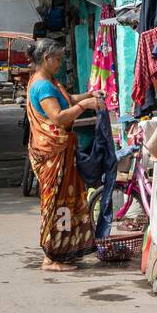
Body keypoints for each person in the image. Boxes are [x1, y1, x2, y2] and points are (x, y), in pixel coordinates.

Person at [25, 39, 102, 271]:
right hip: (52, 154)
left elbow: (66, 101)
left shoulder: (49, 82)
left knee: (64, 205)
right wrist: (85, 106)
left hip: (62, 153)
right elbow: (58, 117)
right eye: (58, 59)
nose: (60, 63)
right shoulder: (43, 86)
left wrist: (87, 96)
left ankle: (62, 251)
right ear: (47, 59)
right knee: (56, 204)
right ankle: (50, 258)